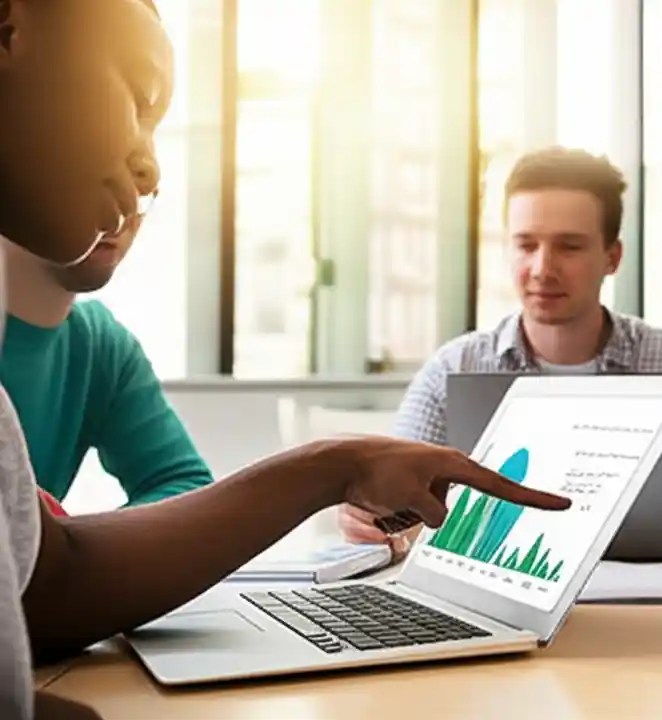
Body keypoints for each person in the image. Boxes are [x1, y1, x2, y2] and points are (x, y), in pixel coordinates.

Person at [0, 2, 571, 718]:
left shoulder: (98, 343)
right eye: (139, 99)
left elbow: (52, 580)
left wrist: (336, 467)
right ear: (8, 28)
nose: (150, 166)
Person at [339, 146, 662, 545]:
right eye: (526, 245)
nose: (543, 269)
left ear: (612, 257)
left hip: (639, 578)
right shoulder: (453, 368)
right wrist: (371, 516)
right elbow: (395, 506)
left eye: (569, 246)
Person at [1, 224, 211, 507]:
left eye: (141, 198)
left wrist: (64, 533)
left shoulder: (99, 344)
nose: (121, 217)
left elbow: (184, 485)